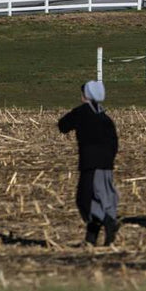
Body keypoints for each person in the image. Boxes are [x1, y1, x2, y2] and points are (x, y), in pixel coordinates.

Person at [58, 80, 119, 246]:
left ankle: (108, 221)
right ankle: (91, 238)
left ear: (87, 95)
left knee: (84, 199)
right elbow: (114, 141)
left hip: (90, 162)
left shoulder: (82, 112)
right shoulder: (104, 116)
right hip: (107, 162)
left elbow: (63, 125)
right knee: (104, 197)